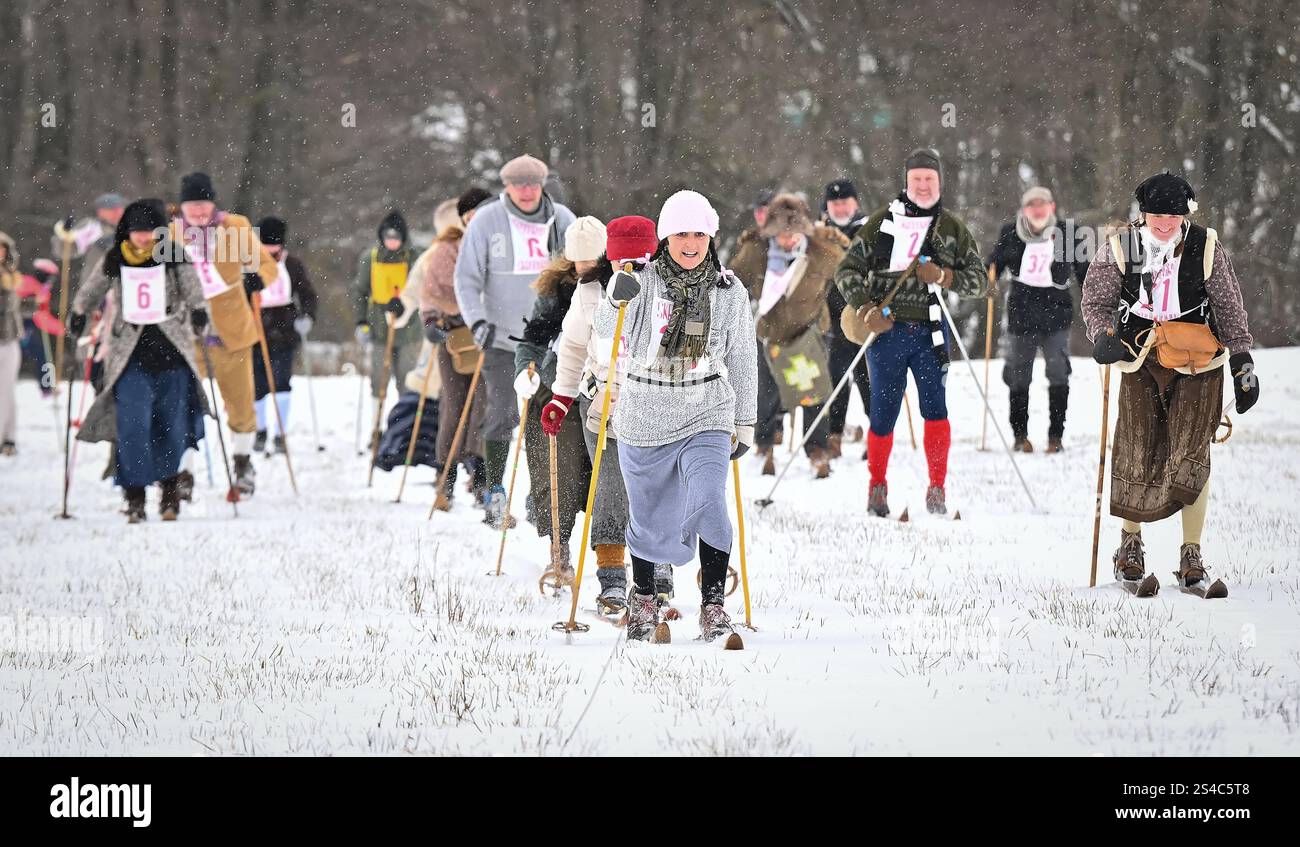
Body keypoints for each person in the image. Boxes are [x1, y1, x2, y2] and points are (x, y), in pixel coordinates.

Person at [593, 190, 757, 643]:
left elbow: (743, 355)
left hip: (706, 410)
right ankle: (644, 598)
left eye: (699, 233)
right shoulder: (640, 280)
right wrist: (614, 300)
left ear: (711, 237)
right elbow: (608, 336)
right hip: (644, 412)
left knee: (709, 502)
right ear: (666, 237)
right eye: (682, 233)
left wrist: (744, 420)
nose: (691, 242)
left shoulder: (728, 290)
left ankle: (714, 606)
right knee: (647, 516)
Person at [1082, 172, 1256, 592]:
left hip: (1199, 359)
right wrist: (1103, 335)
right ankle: (1130, 546)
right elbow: (1095, 301)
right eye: (1157, 214)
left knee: (1191, 451)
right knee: (1137, 447)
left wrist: (1242, 360)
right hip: (1140, 356)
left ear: (1186, 213)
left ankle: (1191, 553)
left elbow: (1229, 305)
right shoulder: (1121, 247)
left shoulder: (1206, 246)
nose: (1164, 222)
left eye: (1173, 214)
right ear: (1143, 213)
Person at [834, 148, 987, 517]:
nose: (922, 185)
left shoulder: (951, 227)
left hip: (931, 333)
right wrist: (866, 307)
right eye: (916, 179)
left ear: (939, 183)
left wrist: (944, 276)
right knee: (883, 412)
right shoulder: (880, 222)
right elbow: (846, 270)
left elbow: (981, 282)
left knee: (936, 408)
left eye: (929, 179)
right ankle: (877, 487)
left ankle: (937, 487)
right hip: (886, 333)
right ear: (906, 182)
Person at [547, 215, 662, 612]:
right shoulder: (589, 292)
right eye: (619, 261)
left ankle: (659, 567)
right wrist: (561, 397)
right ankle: (611, 578)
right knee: (611, 489)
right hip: (604, 404)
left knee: (653, 489)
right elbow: (574, 347)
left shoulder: (667, 288)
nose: (628, 268)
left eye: (639, 260)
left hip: (658, 403)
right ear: (607, 259)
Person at [68, 199, 209, 522]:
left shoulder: (173, 254)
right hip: (129, 356)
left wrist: (200, 314)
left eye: (148, 232)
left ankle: (170, 491)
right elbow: (90, 291)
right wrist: (78, 313)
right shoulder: (116, 257)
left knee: (171, 427)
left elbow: (194, 290)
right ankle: (134, 496)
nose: (143, 239)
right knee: (133, 427)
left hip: (171, 354)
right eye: (137, 232)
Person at [453, 154, 575, 527]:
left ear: (541, 185)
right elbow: (467, 277)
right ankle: (493, 489)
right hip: (502, 336)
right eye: (518, 184)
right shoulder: (487, 221)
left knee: (546, 418)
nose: (526, 191)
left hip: (548, 340)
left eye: (532, 184)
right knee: (503, 412)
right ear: (506, 186)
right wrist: (477, 322)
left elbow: (582, 271)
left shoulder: (562, 220)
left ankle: (542, 497)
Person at [170, 172, 278, 499]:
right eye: (192, 207)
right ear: (183, 208)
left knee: (242, 405)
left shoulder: (236, 227)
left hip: (233, 332)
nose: (199, 213)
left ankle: (243, 463)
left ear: (213, 203)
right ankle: (183, 470)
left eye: (204, 205)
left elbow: (266, 265)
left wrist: (256, 280)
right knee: (184, 405)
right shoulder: (171, 234)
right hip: (189, 334)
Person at [730, 193, 848, 478]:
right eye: (781, 234)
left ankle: (817, 449)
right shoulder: (756, 251)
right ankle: (764, 442)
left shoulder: (822, 250)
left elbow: (852, 271)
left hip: (809, 334)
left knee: (813, 393)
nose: (788, 240)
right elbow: (732, 281)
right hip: (769, 334)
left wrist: (842, 241)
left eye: (793, 234)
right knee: (767, 393)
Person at [513, 217, 604, 564]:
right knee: (558, 473)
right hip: (557, 388)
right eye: (579, 259)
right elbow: (532, 339)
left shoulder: (617, 285)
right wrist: (526, 370)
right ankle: (558, 546)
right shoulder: (555, 291)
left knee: (603, 479)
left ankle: (610, 553)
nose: (585, 266)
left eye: (591, 258)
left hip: (603, 392)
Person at [987, 187, 1090, 453]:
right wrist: (989, 278)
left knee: (1058, 373)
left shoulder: (1069, 233)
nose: (1037, 209)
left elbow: (1084, 271)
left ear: (1052, 207)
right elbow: (993, 265)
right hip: (1022, 313)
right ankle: (1020, 436)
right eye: (1031, 204)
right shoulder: (1011, 233)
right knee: (1019, 376)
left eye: (1042, 203)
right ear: (1024, 209)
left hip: (1056, 313)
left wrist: (1098, 293)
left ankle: (1056, 436)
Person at [411, 188, 493, 509]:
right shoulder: (449, 248)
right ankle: (445, 480)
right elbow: (430, 291)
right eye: (473, 213)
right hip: (455, 337)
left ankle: (482, 475)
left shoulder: (498, 247)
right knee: (454, 405)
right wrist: (431, 320)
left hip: (490, 337)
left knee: (485, 407)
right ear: (464, 217)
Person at [251, 217, 318, 454]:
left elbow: (308, 294)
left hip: (285, 330)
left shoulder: (293, 265)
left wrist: (306, 316)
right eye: (267, 245)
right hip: (256, 330)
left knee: (281, 381)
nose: (271, 251)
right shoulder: (250, 264)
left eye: (275, 245)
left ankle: (280, 433)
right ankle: (260, 430)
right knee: (257, 384)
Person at [820, 179, 872, 458]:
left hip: (862, 316)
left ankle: (876, 434)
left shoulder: (867, 229)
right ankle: (835, 435)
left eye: (844, 202)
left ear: (855, 203)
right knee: (835, 379)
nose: (840, 208)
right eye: (834, 203)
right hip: (831, 318)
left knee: (867, 378)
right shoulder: (820, 234)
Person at [353, 210, 423, 411]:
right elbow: (360, 292)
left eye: (396, 238)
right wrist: (361, 322)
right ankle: (377, 427)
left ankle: (405, 428)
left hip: (409, 331)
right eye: (388, 238)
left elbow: (422, 289)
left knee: (407, 379)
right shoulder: (370, 258)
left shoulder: (414, 257)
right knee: (378, 379)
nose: (392, 242)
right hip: (378, 330)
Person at [0, 231, 22, 456]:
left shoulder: (11, 276)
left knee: (6, 391)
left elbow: (14, 310)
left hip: (8, 339)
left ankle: (9, 437)